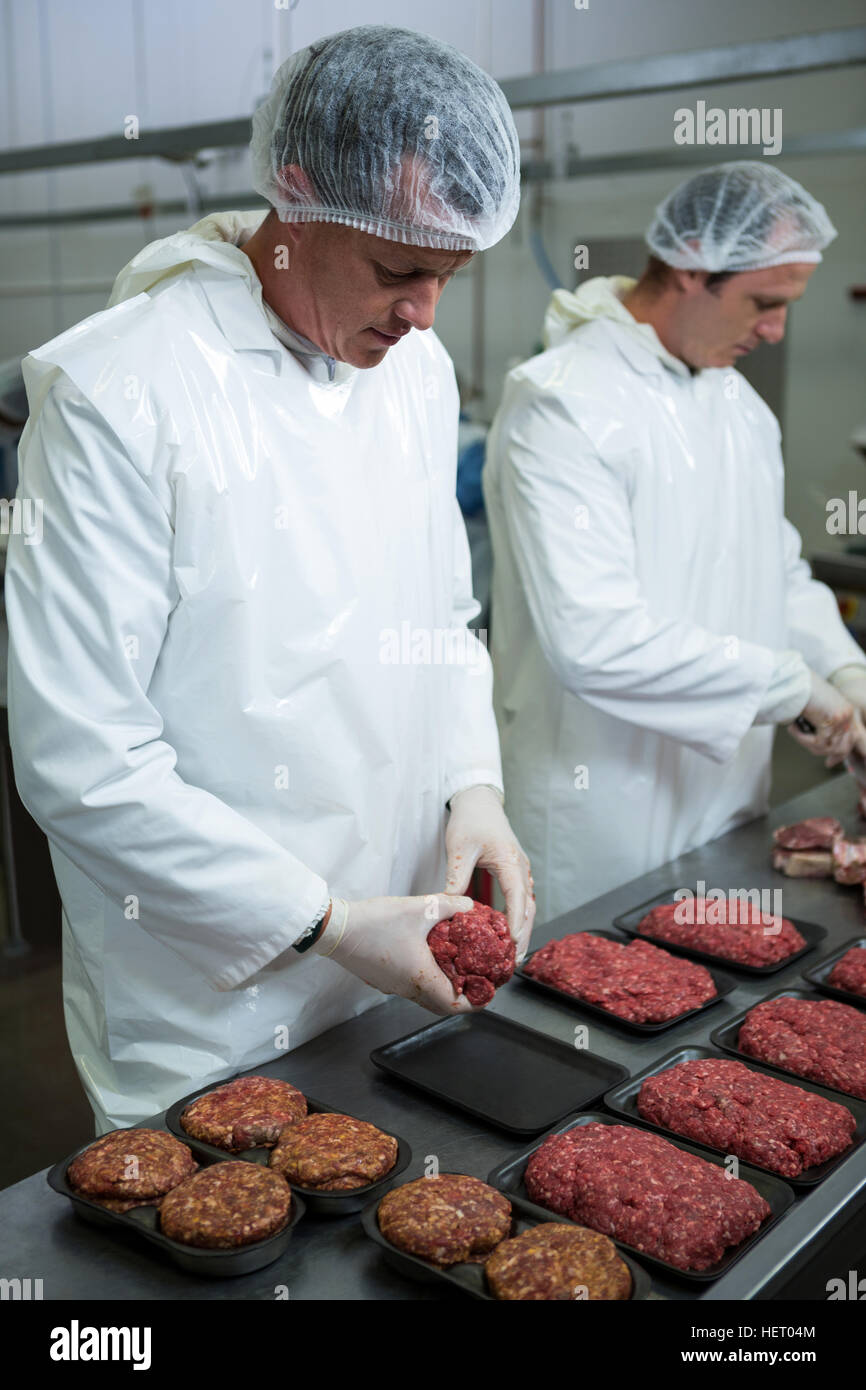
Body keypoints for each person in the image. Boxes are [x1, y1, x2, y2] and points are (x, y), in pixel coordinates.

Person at [5, 24, 534, 1133]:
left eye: (447, 275)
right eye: (399, 269)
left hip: (400, 953)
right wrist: (325, 918)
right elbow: (84, 758)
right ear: (294, 196)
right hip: (209, 993)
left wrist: (472, 785)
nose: (424, 312)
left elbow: (441, 611)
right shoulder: (120, 395)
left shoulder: (415, 373)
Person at [483, 161, 866, 926]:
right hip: (601, 813)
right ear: (691, 267)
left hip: (725, 800)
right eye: (764, 302)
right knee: (594, 1019)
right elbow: (595, 638)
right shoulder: (562, 405)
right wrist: (793, 690)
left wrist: (845, 669)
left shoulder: (740, 409)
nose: (776, 329)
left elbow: (778, 572)